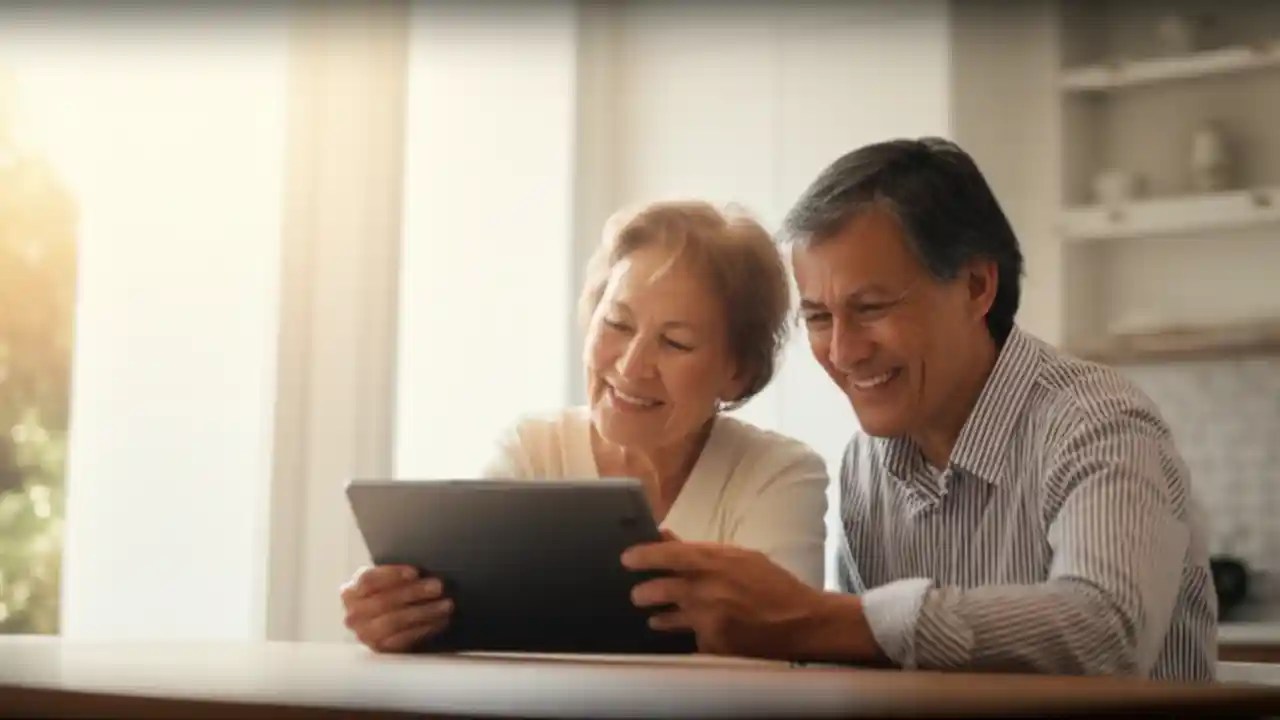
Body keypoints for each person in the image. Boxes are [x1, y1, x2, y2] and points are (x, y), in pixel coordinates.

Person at [622, 138, 1216, 680]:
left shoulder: (1097, 422)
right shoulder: (865, 466)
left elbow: (1107, 630)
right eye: (820, 318)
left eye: (873, 307)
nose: (844, 352)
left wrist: (819, 619)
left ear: (977, 287)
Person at [341, 200, 829, 653]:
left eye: (675, 343)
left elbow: (788, 654)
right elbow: (470, 630)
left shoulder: (778, 474)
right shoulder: (533, 449)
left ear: (737, 370)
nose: (632, 365)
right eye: (616, 324)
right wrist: (406, 619)